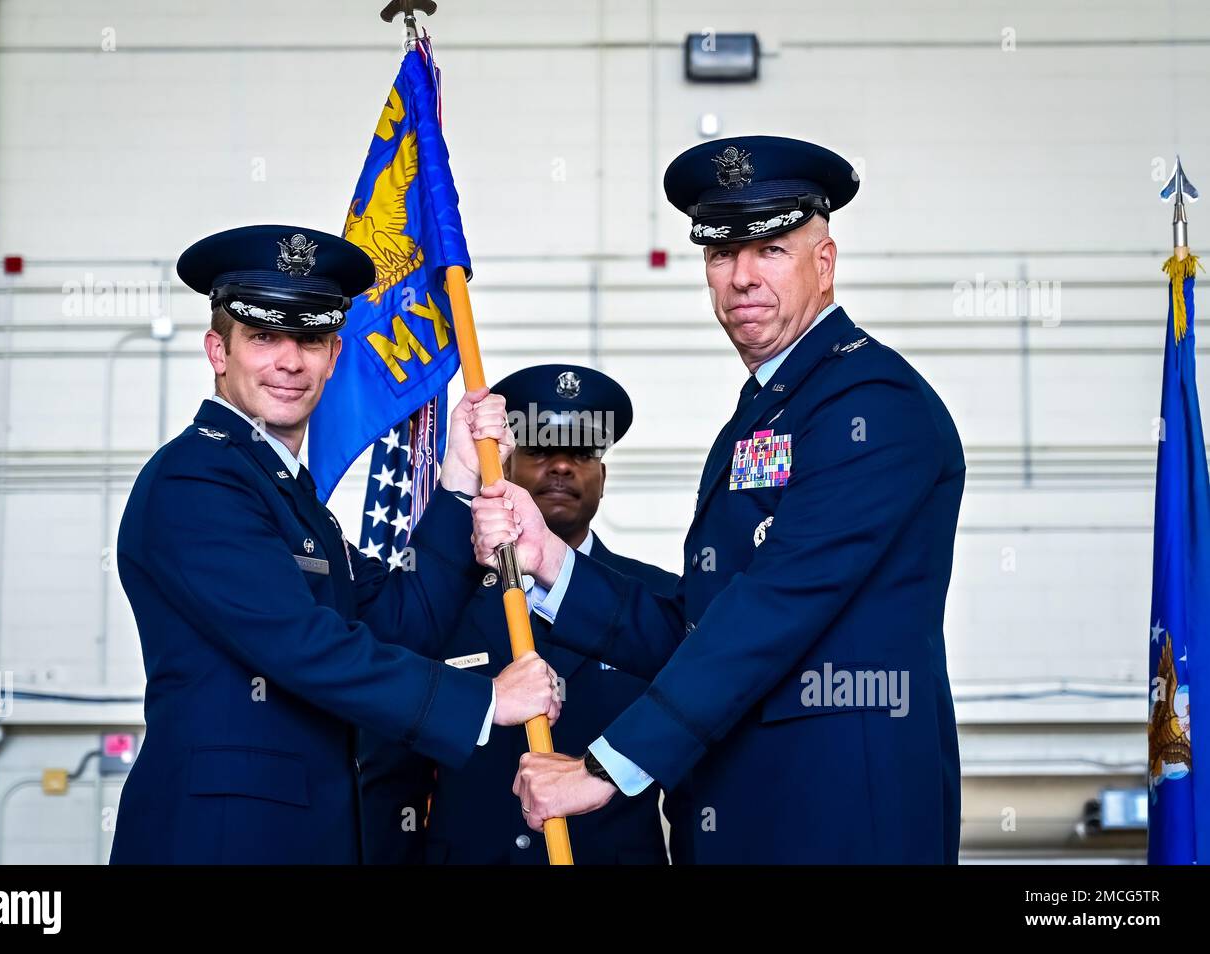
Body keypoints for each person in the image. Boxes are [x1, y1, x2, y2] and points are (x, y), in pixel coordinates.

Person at [471, 137, 966, 864]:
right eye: (720, 254)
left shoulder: (873, 403)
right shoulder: (766, 412)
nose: (740, 277)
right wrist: (549, 563)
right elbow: (702, 625)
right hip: (745, 818)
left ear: (822, 265)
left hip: (838, 821)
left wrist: (605, 767)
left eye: (769, 250)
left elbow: (774, 607)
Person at [109, 224, 560, 864]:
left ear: (334, 355)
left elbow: (402, 621)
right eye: (264, 336)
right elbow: (303, 645)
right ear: (218, 350)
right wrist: (485, 700)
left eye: (311, 339)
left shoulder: (288, 498)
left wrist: (458, 482)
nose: (290, 361)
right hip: (221, 842)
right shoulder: (197, 479)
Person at [357, 365, 688, 864]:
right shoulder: (441, 596)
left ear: (604, 476)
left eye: (581, 453)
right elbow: (392, 765)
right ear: (505, 468)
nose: (561, 467)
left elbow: (693, 758)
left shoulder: (658, 601)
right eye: (540, 450)